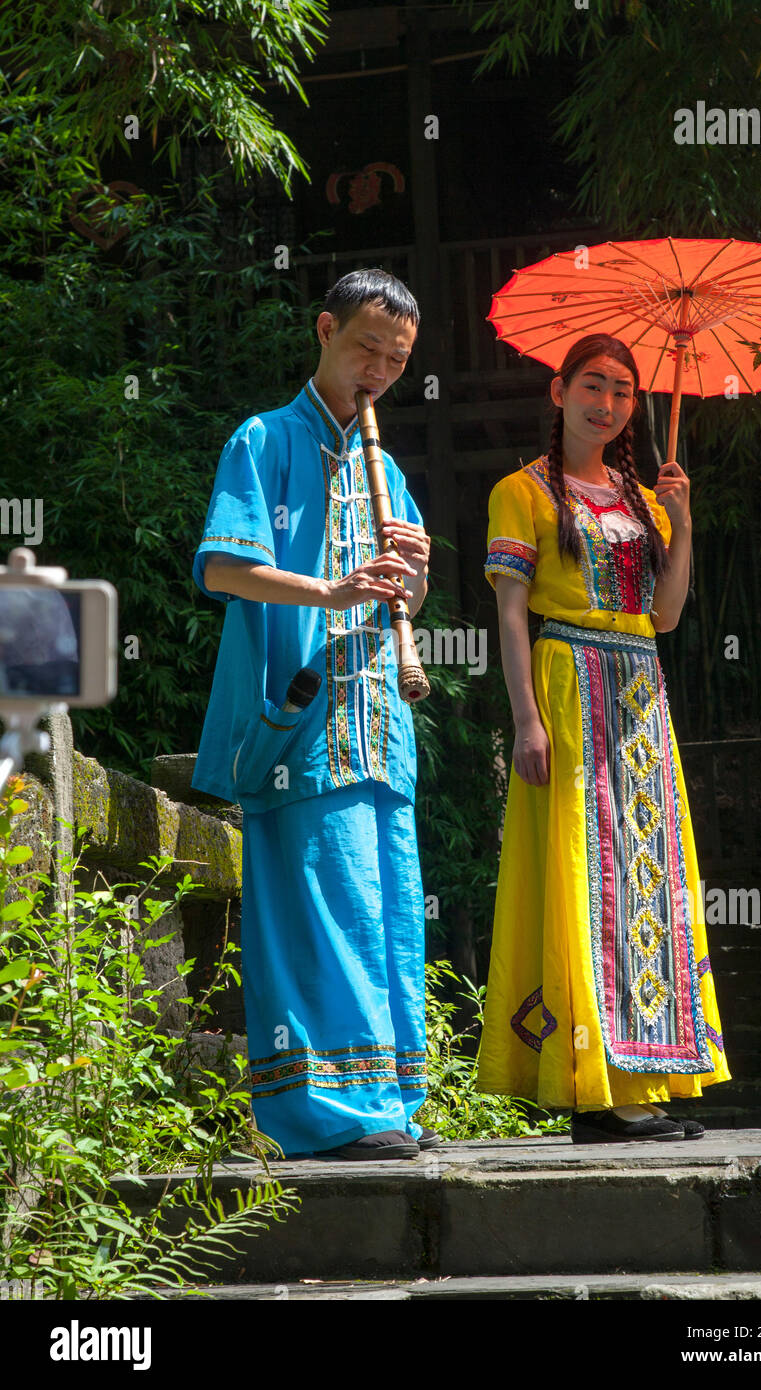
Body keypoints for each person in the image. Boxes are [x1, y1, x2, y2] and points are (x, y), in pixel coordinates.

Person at [190, 269, 436, 1160]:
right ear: (324, 330)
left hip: (378, 719)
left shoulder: (386, 470)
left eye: (397, 360)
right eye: (367, 347)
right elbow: (223, 569)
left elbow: (408, 589)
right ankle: (326, 1115)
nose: (378, 369)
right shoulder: (263, 441)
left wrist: (415, 566)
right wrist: (328, 589)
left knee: (388, 908)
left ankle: (390, 1103)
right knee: (316, 912)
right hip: (298, 722)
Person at [476, 333, 731, 1143]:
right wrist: (525, 717)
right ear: (559, 392)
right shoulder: (521, 491)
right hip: (568, 677)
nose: (608, 402)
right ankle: (594, 1087)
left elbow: (666, 616)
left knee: (643, 878)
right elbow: (511, 613)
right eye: (593, 385)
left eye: (623, 390)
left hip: (639, 686)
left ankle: (642, 1079)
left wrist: (681, 525)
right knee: (585, 872)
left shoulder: (644, 497)